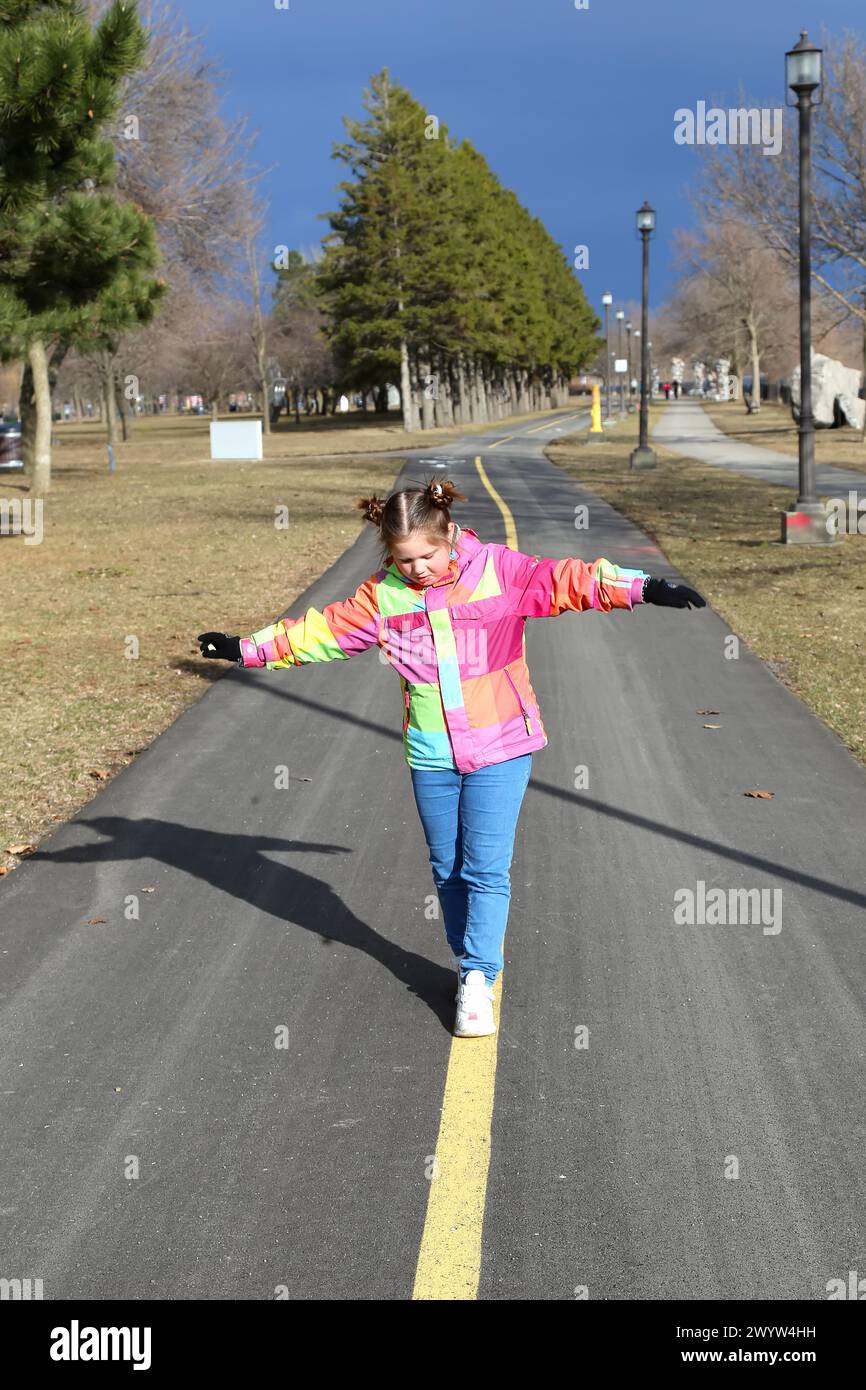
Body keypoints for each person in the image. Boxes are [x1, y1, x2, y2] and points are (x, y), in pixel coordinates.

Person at [197, 478, 706, 1038]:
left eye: (427, 555)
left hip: (501, 745)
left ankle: (477, 978)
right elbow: (318, 633)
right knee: (448, 870)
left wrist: (643, 586)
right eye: (403, 559)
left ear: (448, 535)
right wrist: (245, 648)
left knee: (485, 869)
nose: (416, 569)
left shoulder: (498, 570)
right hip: (432, 752)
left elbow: (568, 581)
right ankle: (469, 958)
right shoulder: (381, 597)